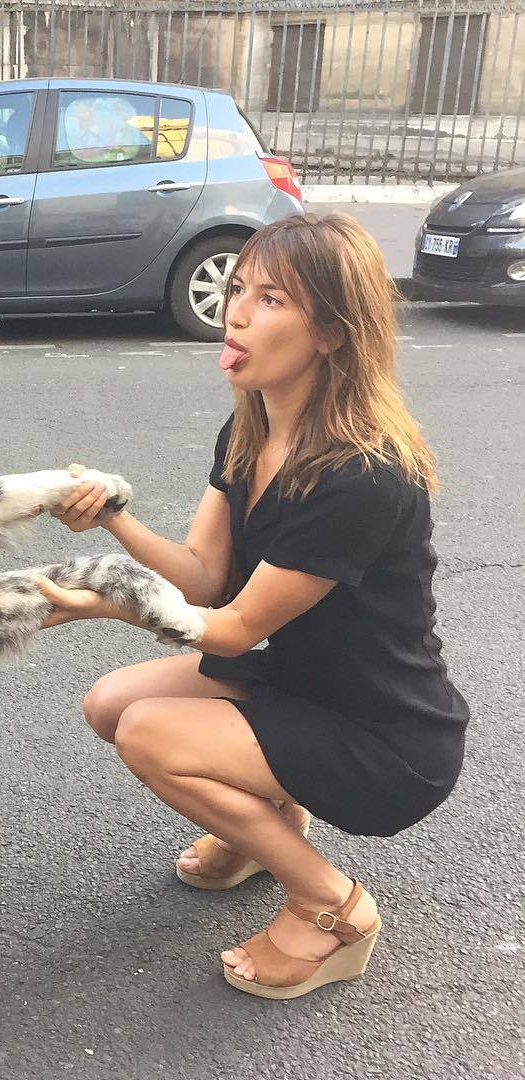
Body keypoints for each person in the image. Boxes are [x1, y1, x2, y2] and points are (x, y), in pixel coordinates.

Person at [35, 213, 469, 1000]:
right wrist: (113, 518)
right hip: (300, 684)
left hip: (384, 734)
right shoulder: (250, 432)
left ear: (333, 333)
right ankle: (267, 825)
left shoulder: (363, 476)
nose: (236, 312)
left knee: (148, 732)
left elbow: (233, 627)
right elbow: (204, 579)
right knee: (110, 703)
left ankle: (332, 908)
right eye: (239, 288)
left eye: (271, 300)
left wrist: (106, 599)